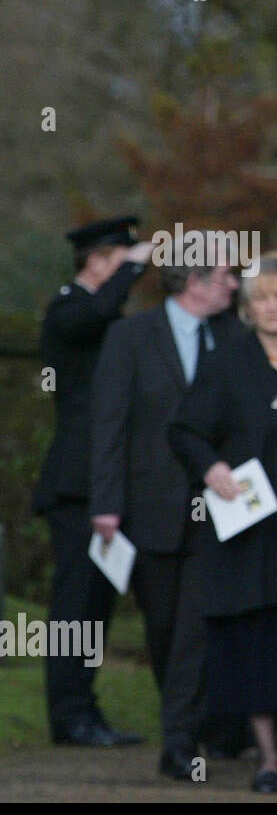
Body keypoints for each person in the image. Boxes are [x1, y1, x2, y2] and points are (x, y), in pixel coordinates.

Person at [167, 258, 277, 793]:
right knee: (254, 652)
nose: (274, 306)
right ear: (248, 308)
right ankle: (269, 756)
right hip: (250, 540)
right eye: (263, 298)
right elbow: (185, 430)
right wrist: (210, 468)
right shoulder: (226, 361)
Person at [91, 253, 241, 779]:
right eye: (225, 276)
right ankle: (186, 722)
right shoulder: (130, 337)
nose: (234, 285)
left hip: (218, 507)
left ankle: (181, 741)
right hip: (149, 508)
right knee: (163, 628)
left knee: (195, 628)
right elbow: (109, 423)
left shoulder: (234, 337)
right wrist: (106, 504)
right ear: (195, 282)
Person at [35, 216, 151, 748]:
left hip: (99, 483)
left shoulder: (98, 315)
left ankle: (85, 709)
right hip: (75, 485)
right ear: (97, 260)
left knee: (94, 607)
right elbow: (99, 312)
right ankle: (69, 713)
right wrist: (131, 270)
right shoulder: (68, 309)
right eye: (120, 260)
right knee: (75, 607)